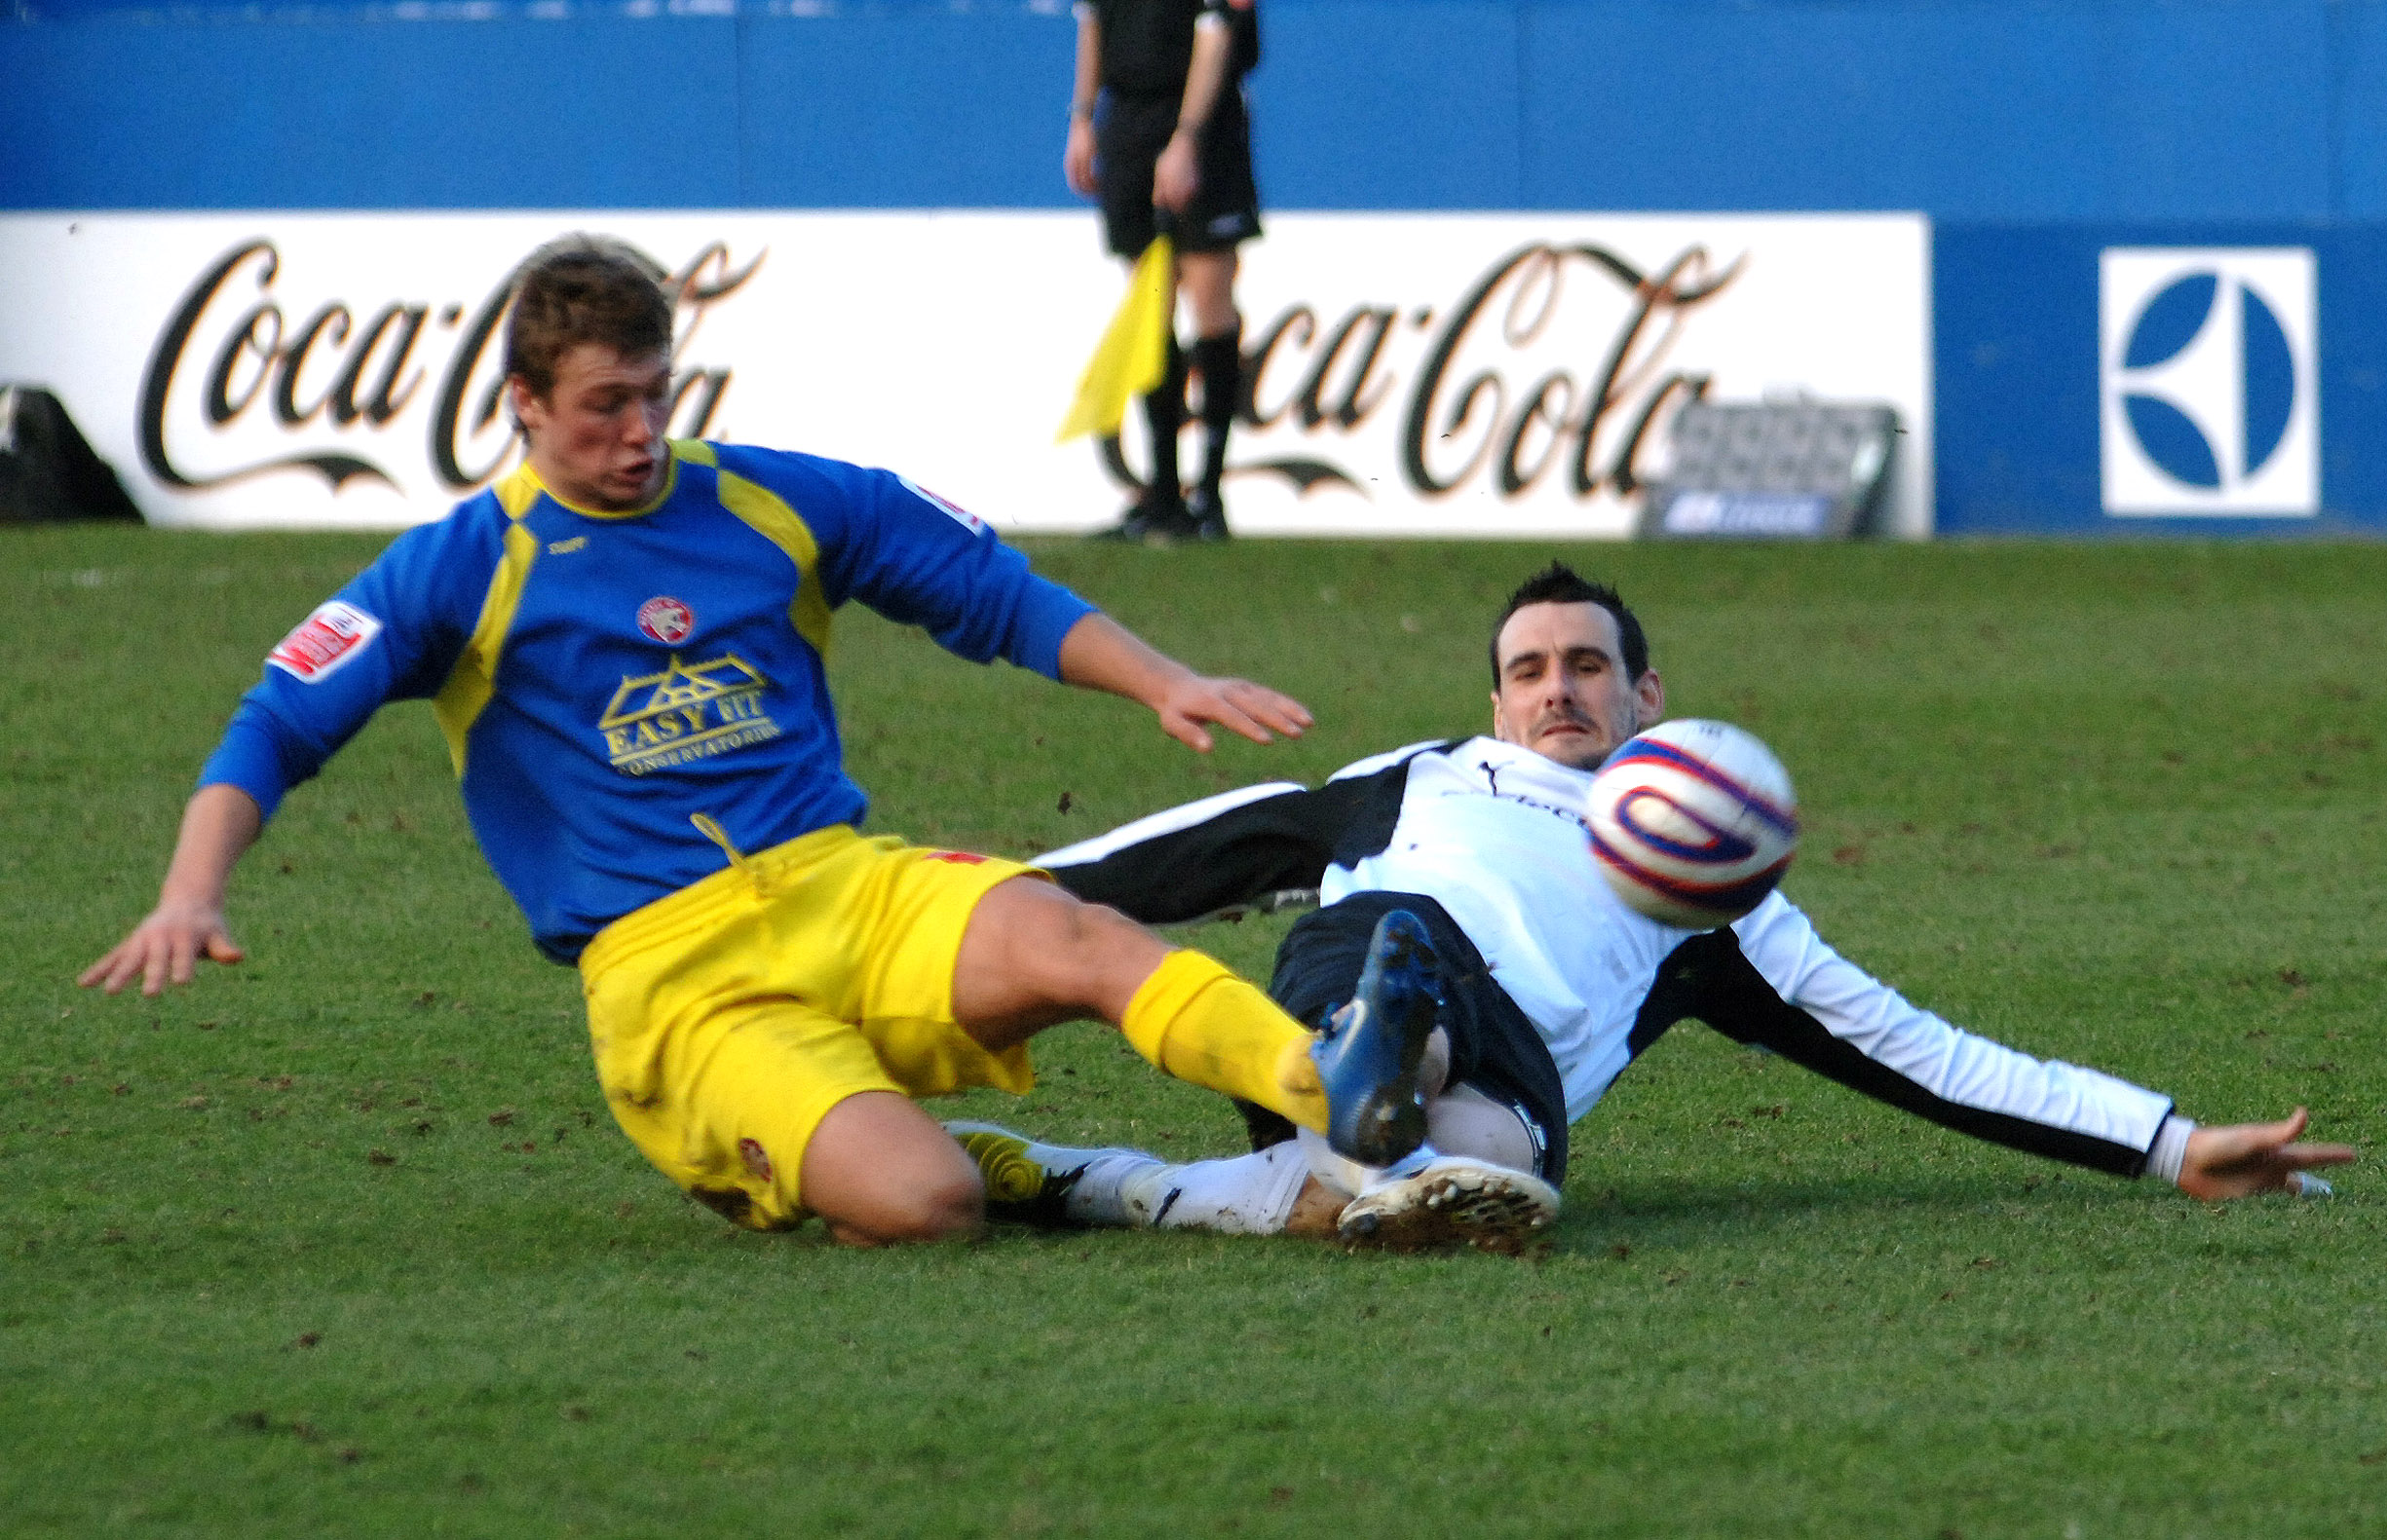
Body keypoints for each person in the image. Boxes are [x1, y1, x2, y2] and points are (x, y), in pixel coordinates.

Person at [76, 235, 1443, 1249]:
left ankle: (1332, 1089)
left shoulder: (764, 501)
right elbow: (278, 719)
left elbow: (982, 588)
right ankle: (996, 1161)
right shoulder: (458, 568)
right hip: (676, 981)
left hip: (840, 881)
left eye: (654, 394)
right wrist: (193, 891)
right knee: (928, 1205)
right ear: (523, 405)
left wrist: (1160, 679)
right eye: (604, 402)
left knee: (1071, 935)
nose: (637, 430)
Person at [949, 562, 2358, 1250]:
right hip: (1357, 971)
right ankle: (1386, 1031)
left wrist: (2163, 1141)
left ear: (1644, 696)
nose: (1554, 686)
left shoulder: (1716, 897)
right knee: (1405, 957)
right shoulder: (1430, 778)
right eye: (1527, 669)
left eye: (1583, 665)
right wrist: (998, 894)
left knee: (1456, 1184)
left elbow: (1913, 1048)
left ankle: (1087, 1178)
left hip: (1493, 1103)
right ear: (1492, 701)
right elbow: (1206, 847)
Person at [1065, 0, 1261, 544]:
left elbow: (1216, 32)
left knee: (1209, 294)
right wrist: (1082, 117)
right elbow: (1092, 22)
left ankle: (1210, 492)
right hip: (1127, 120)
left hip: (1205, 124)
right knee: (1150, 304)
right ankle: (1163, 493)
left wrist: (1188, 137)